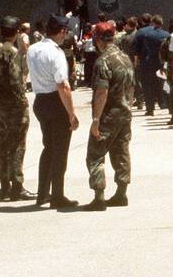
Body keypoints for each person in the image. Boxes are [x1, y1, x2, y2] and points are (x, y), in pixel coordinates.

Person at [27, 15, 80, 209]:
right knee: (60, 151)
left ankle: (42, 194)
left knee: (48, 148)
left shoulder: (33, 49)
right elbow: (62, 85)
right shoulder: (56, 53)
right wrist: (71, 113)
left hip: (40, 101)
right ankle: (57, 195)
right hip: (56, 102)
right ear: (63, 31)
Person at [84, 21, 135, 211]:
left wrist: (96, 120)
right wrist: (128, 109)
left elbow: (101, 92)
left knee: (95, 155)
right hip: (124, 114)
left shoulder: (103, 61)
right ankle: (121, 193)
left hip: (108, 116)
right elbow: (131, 88)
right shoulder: (125, 58)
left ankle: (99, 197)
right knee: (121, 153)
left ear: (98, 40)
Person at [0, 17, 32, 201]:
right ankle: (17, 186)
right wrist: (22, 103)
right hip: (14, 106)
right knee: (17, 145)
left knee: (2, 145)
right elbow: (16, 80)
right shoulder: (14, 53)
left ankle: (4, 186)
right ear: (17, 32)